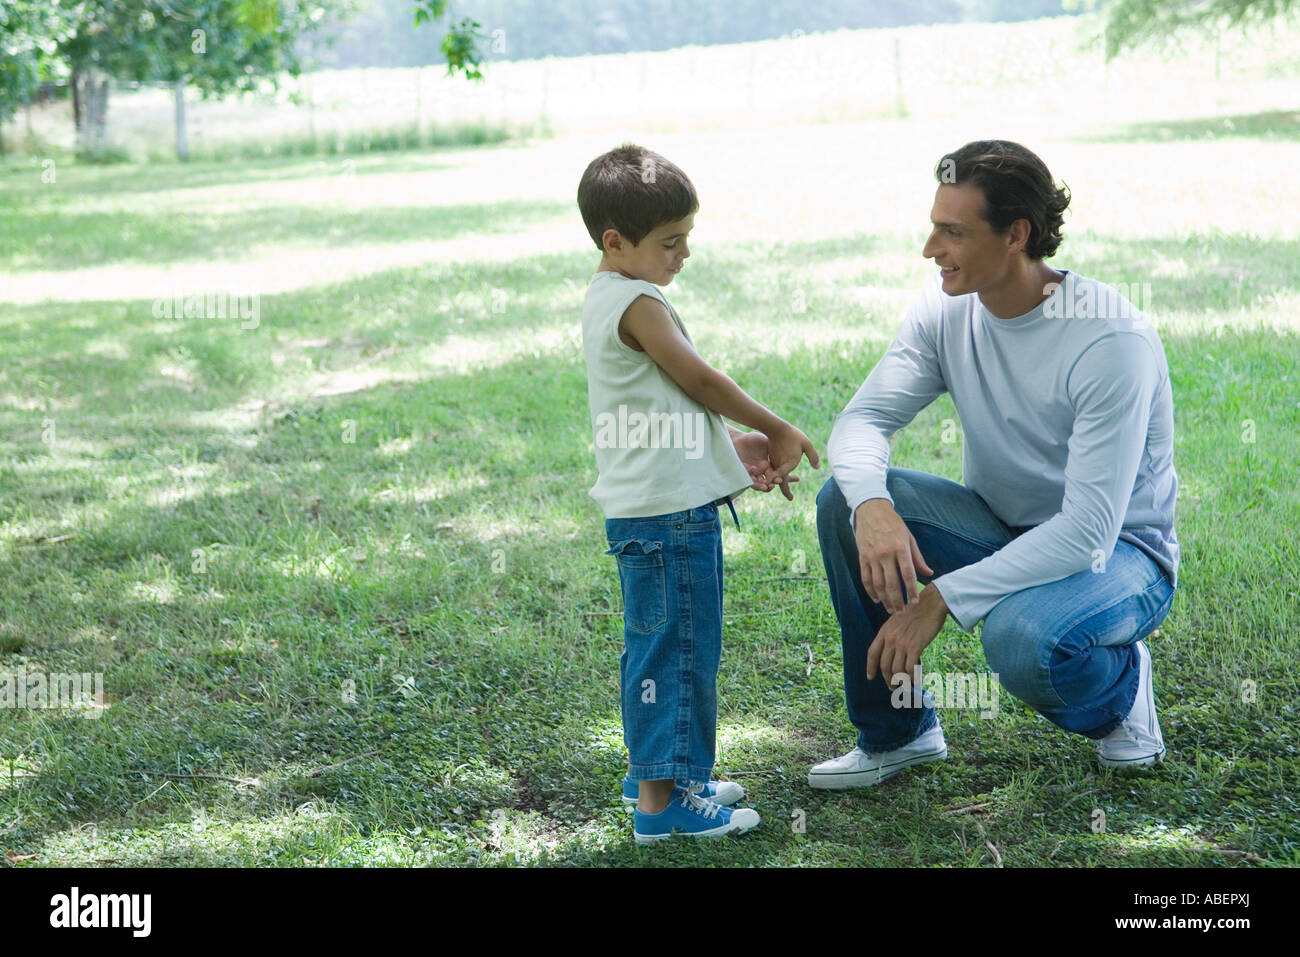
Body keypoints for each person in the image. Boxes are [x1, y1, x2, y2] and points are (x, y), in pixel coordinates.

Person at [809, 140, 1179, 790]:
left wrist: (941, 599)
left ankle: (1123, 688)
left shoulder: (1108, 340)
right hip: (1000, 525)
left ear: (1016, 235)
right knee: (844, 500)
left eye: (952, 232)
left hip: (1119, 554)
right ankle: (899, 732)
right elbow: (863, 420)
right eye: (933, 226)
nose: (930, 249)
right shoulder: (945, 305)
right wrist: (871, 505)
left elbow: (1088, 532)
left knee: (1020, 637)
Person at [577, 143, 820, 842]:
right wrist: (771, 425)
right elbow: (700, 380)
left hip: (656, 508)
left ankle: (666, 775)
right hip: (667, 518)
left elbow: (663, 411)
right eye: (670, 242)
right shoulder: (639, 301)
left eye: (687, 238)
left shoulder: (609, 294)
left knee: (664, 645)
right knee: (676, 649)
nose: (683, 254)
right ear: (615, 241)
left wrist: (727, 450)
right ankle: (663, 807)